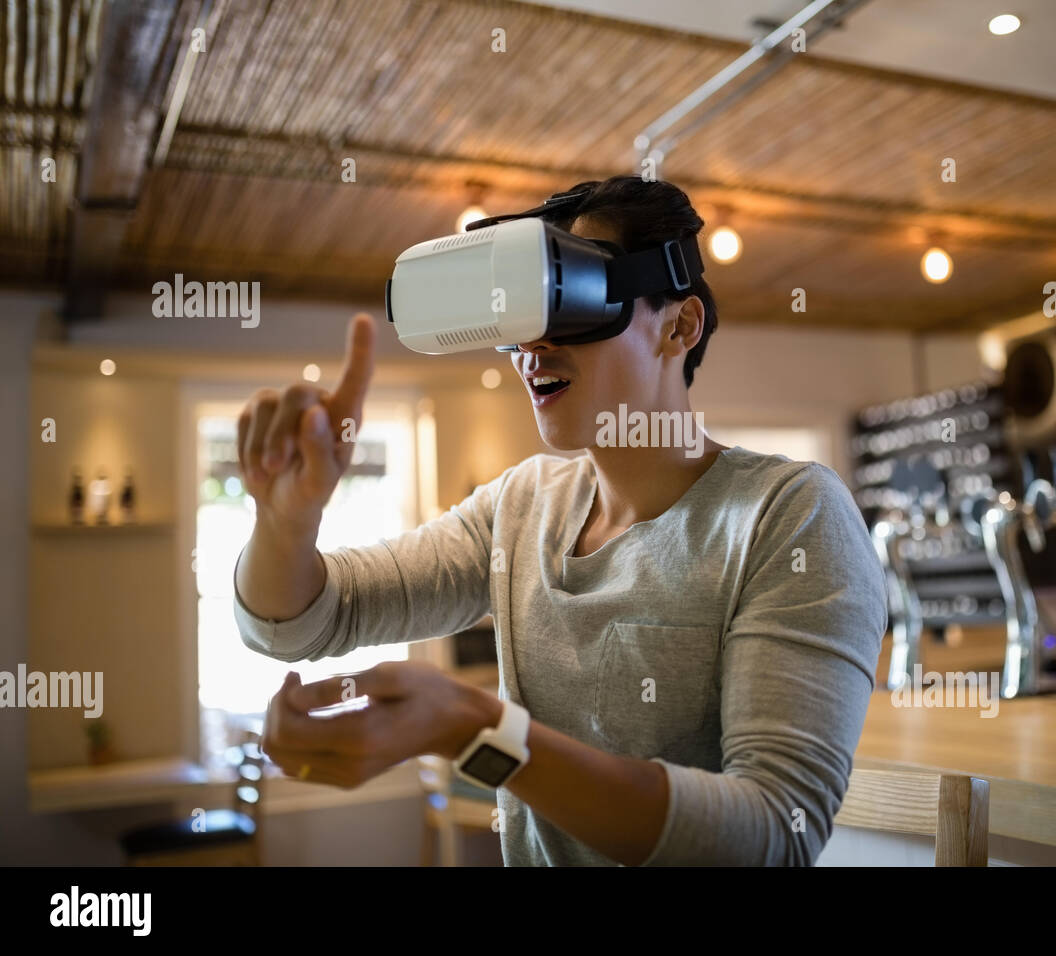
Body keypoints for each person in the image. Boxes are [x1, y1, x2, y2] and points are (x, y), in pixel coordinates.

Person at [232, 175, 887, 866]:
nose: (533, 347)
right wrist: (285, 523)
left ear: (679, 325)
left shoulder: (788, 517)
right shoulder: (518, 509)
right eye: (518, 319)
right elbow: (307, 621)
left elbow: (771, 836)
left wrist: (477, 728)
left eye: (569, 300)